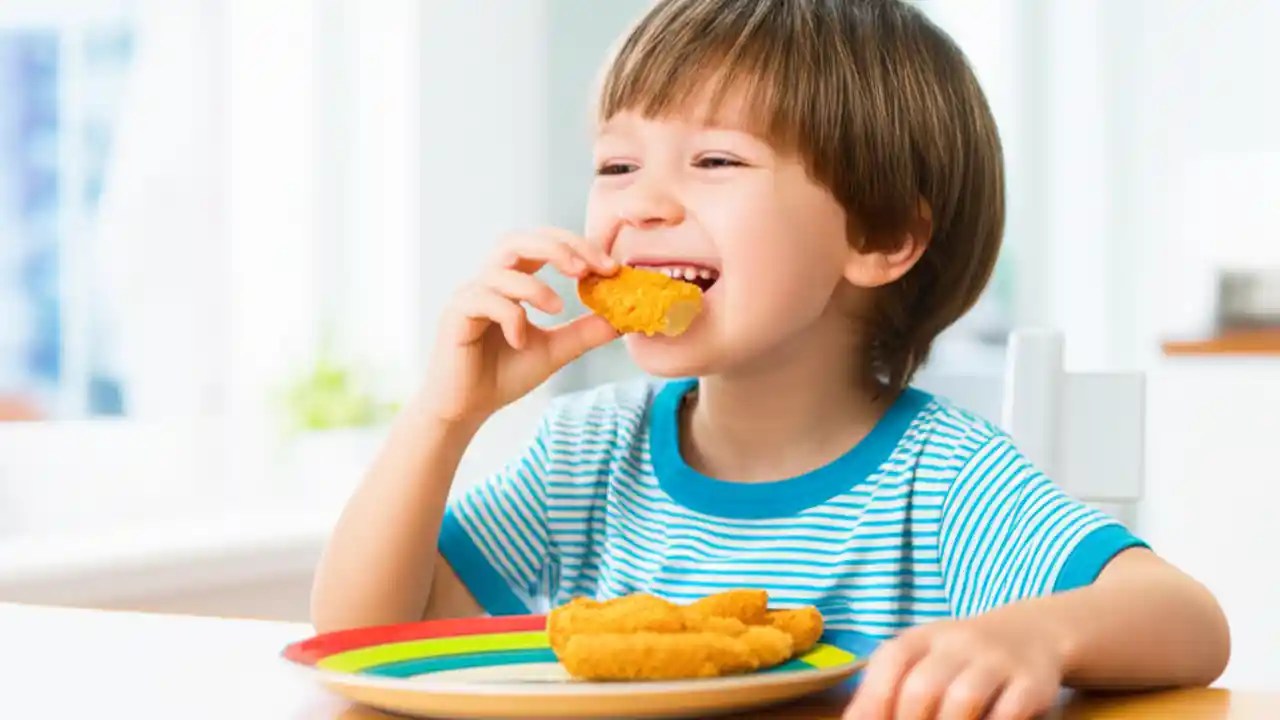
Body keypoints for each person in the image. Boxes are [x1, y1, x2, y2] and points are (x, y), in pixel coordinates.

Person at [312, 1, 1230, 717]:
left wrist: (1040, 637)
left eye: (714, 161)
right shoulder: (584, 457)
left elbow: (1190, 623)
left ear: (877, 237)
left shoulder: (940, 482)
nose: (642, 207)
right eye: (618, 165)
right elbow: (361, 642)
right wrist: (445, 418)